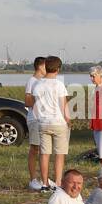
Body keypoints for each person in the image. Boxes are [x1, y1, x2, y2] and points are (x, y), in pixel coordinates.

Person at [25, 56, 70, 191]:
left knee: (44, 154)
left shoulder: (38, 84)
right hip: (58, 122)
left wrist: (39, 118)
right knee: (59, 154)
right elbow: (63, 105)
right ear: (57, 69)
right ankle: (57, 183)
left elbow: (35, 105)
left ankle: (44, 184)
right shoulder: (59, 85)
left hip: (43, 122)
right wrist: (68, 119)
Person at [24, 56, 49, 191]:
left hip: (44, 119)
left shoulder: (45, 82)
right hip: (34, 119)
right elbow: (27, 102)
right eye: (46, 66)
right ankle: (33, 179)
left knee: (44, 150)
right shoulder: (32, 81)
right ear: (40, 66)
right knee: (35, 149)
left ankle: (44, 177)